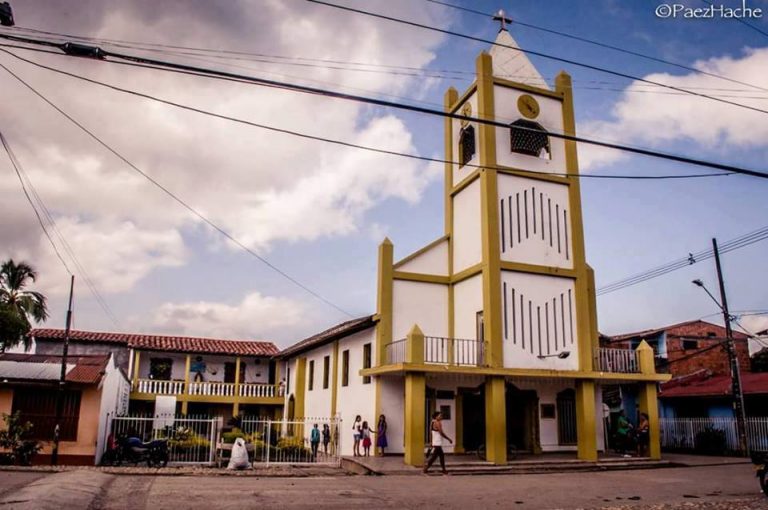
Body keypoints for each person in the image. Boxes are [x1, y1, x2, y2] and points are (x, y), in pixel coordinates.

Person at [423, 411, 452, 475]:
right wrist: (448, 439)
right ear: (436, 417)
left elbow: (431, 433)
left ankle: (443, 469)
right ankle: (426, 468)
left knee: (440, 456)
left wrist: (431, 442)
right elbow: (441, 433)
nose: (441, 417)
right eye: (440, 415)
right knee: (435, 457)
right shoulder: (438, 423)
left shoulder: (432, 422)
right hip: (437, 442)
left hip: (435, 442)